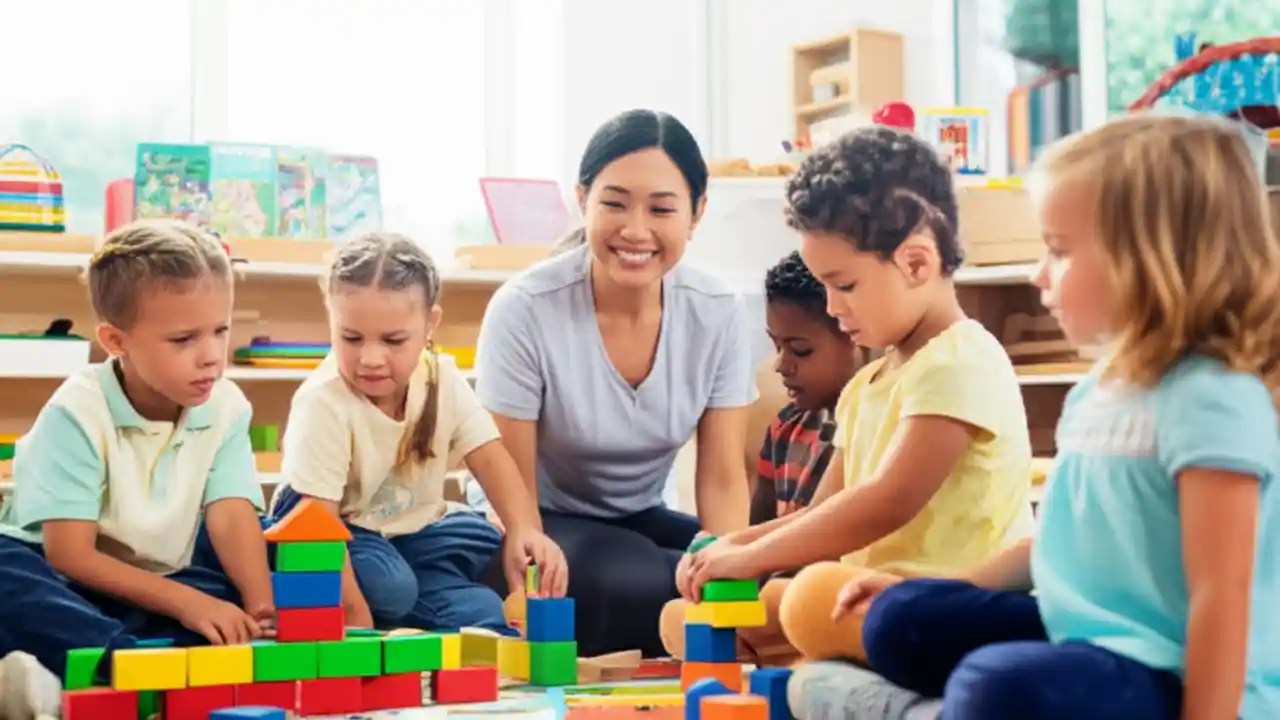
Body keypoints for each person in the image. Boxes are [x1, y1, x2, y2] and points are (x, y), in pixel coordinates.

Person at [856, 114, 1280, 719]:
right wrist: (938, 591)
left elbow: (1222, 595)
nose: (1038, 275)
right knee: (899, 619)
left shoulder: (1215, 402)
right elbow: (1050, 545)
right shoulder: (1100, 390)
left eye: (1057, 250)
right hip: (1081, 635)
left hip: (1173, 670)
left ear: (1151, 260)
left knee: (998, 685)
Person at [680, 126, 1035, 664]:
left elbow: (885, 503)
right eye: (824, 285)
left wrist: (753, 560)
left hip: (942, 598)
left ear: (917, 264)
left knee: (803, 599)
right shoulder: (868, 385)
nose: (833, 305)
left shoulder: (961, 360)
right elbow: (824, 513)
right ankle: (806, 652)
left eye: (844, 286)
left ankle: (806, 651)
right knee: (700, 613)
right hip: (860, 592)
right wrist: (738, 547)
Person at [475, 109, 757, 657]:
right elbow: (513, 480)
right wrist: (528, 550)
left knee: (756, 576)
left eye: (661, 209)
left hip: (637, 514)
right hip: (539, 517)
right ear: (582, 200)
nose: (635, 230)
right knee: (634, 580)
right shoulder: (525, 309)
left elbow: (723, 479)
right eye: (614, 203)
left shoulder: (718, 312)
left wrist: (729, 573)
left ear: (696, 213)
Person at [0, 219, 273, 717]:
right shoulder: (77, 411)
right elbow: (70, 554)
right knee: (9, 578)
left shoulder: (227, 406)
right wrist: (188, 605)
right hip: (61, 573)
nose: (212, 356)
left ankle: (90, 669)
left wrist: (261, 610)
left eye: (220, 330)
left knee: (226, 591)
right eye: (184, 340)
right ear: (116, 341)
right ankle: (116, 669)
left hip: (153, 581)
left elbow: (232, 514)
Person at [269, 232, 567, 636]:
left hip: (410, 534)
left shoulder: (440, 377)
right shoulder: (324, 402)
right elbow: (316, 525)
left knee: (486, 553)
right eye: (351, 338)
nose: (370, 358)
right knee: (392, 586)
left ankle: (420, 601)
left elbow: (491, 457)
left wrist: (524, 530)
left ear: (430, 324)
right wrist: (355, 623)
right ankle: (397, 606)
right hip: (337, 533)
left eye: (393, 340)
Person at [658, 250, 863, 665]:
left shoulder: (864, 424)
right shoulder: (785, 428)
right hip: (775, 594)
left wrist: (747, 557)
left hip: (829, 589)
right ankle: (767, 656)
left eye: (800, 351)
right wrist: (718, 553)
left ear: (855, 336)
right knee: (677, 616)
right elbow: (758, 528)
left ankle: (769, 655)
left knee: (789, 599)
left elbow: (836, 533)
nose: (781, 366)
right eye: (776, 347)